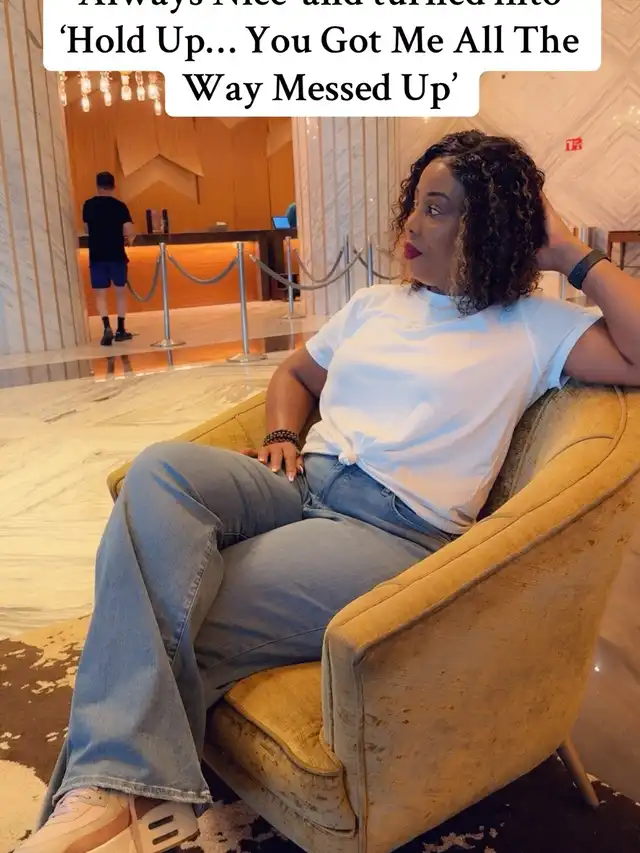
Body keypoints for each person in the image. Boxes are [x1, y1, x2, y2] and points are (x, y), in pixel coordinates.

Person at [21, 131, 640, 853]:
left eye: (437, 208)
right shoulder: (376, 305)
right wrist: (283, 434)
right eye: (415, 203)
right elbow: (295, 373)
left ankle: (101, 793)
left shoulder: (534, 327)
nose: (411, 223)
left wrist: (570, 254)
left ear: (490, 227)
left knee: (172, 603)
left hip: (390, 529)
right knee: (159, 471)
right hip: (302, 481)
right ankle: (122, 784)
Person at [82, 172, 135, 347]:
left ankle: (106, 327)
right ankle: (121, 329)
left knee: (100, 294)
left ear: (97, 186)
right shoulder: (120, 206)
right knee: (120, 292)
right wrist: (128, 240)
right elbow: (129, 230)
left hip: (97, 255)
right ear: (113, 186)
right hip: (116, 255)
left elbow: (86, 228)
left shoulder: (88, 205)